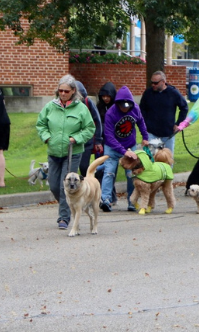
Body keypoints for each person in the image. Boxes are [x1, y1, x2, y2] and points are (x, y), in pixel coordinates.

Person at [36, 75, 97, 228]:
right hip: (54, 151)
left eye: (66, 91)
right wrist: (47, 137)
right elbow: (41, 124)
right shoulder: (50, 106)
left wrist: (76, 138)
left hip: (73, 152)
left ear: (73, 91)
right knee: (54, 186)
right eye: (60, 90)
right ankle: (69, 206)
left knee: (67, 184)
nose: (63, 93)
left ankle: (64, 218)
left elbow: (90, 128)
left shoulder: (81, 108)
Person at [101, 85, 149, 211]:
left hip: (130, 145)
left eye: (127, 106)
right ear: (118, 103)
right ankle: (105, 199)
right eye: (122, 106)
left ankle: (132, 201)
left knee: (131, 175)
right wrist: (124, 151)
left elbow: (141, 122)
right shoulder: (111, 113)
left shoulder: (135, 109)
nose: (125, 109)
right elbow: (109, 136)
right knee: (109, 172)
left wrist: (145, 137)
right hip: (112, 147)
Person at [139, 70, 188, 155]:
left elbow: (184, 107)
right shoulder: (148, 93)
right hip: (151, 132)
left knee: (167, 159)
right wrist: (145, 124)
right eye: (152, 82)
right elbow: (142, 109)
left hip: (168, 134)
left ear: (163, 82)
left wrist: (178, 123)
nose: (153, 85)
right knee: (151, 158)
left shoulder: (173, 93)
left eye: (156, 83)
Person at [75, 81, 104, 177]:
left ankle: (89, 183)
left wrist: (98, 141)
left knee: (84, 167)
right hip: (73, 141)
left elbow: (97, 121)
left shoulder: (88, 103)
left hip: (87, 141)